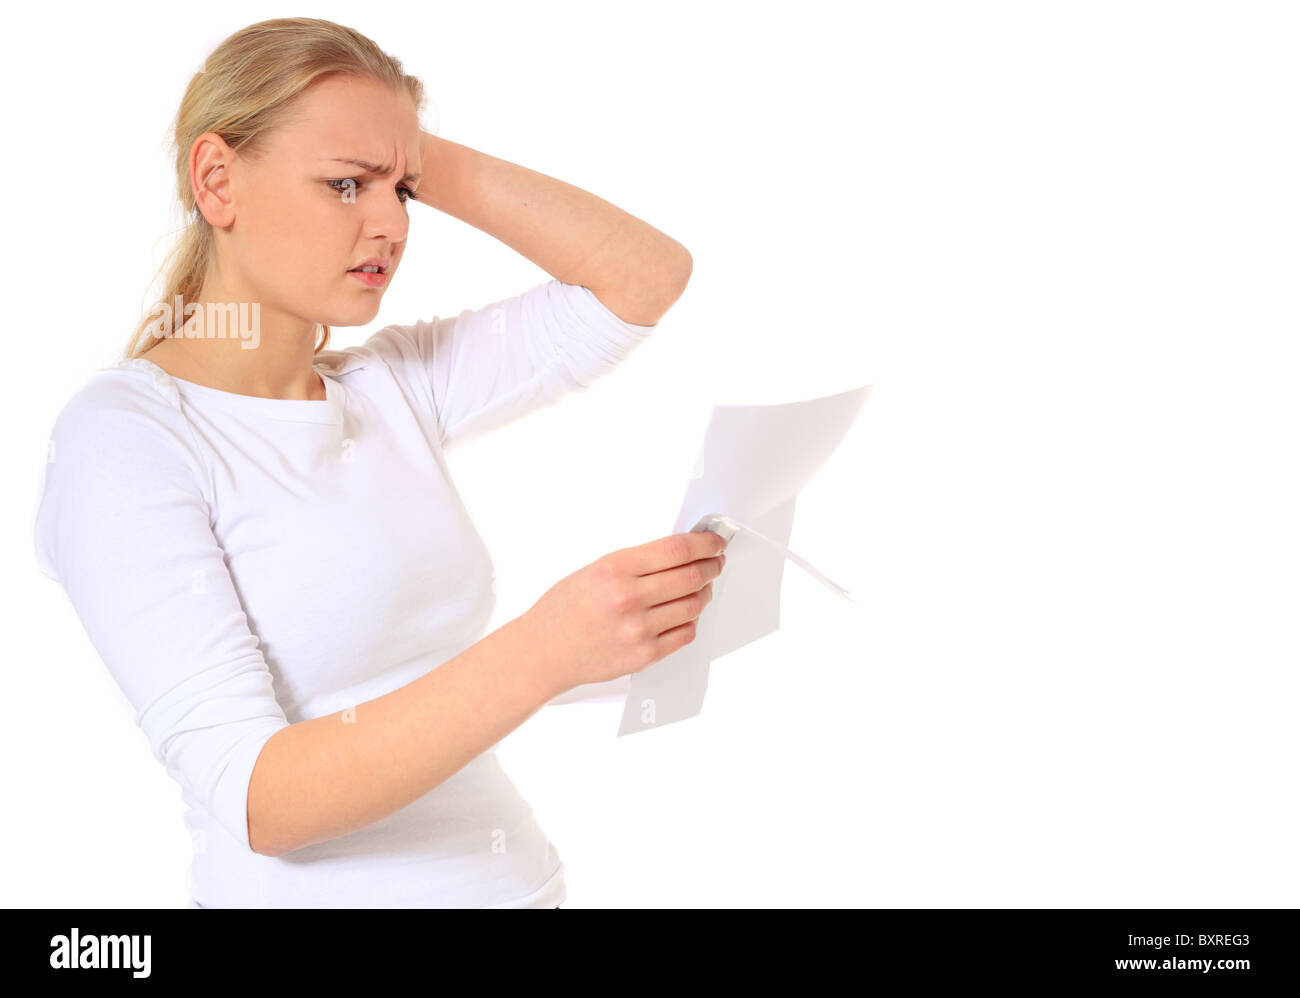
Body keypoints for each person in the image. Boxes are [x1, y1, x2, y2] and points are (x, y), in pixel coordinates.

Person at [33, 17, 725, 908]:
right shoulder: (124, 440)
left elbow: (643, 277)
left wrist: (403, 147)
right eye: (346, 185)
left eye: (403, 191)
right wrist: (549, 650)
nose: (392, 223)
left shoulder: (388, 385)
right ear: (217, 180)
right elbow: (262, 798)